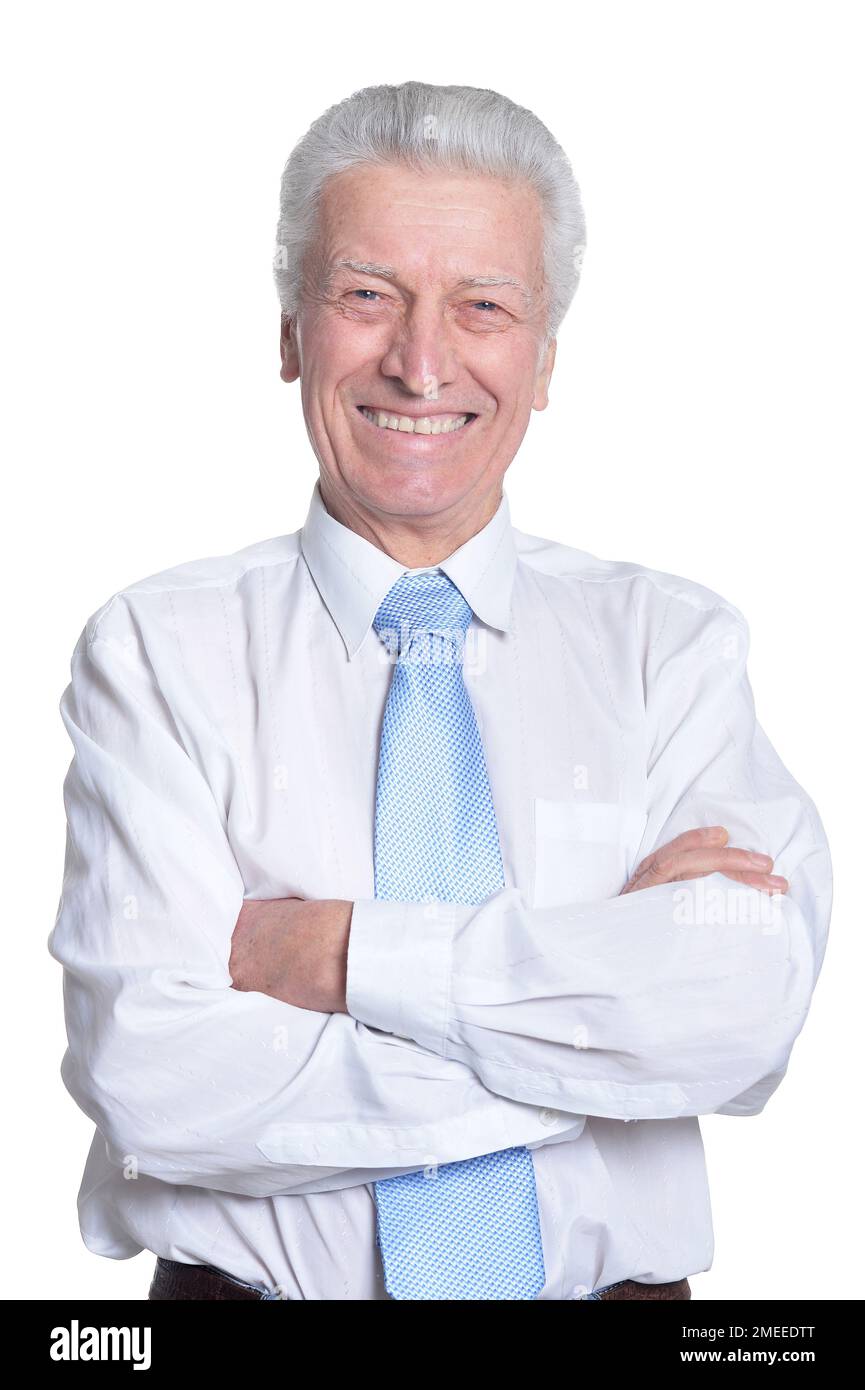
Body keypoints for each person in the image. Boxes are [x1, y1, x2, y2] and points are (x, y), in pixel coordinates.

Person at [48, 80, 832, 1302]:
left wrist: (348, 956)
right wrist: (592, 1042)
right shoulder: (157, 651)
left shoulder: (667, 648)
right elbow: (159, 1079)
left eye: (483, 305)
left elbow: (739, 1012)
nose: (422, 362)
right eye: (368, 297)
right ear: (290, 332)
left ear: (545, 357)